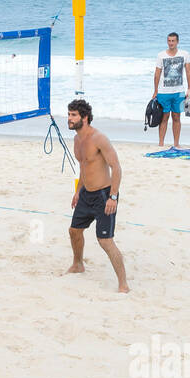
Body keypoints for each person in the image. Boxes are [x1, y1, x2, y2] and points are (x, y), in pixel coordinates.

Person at [65, 99, 128, 292]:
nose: (69, 118)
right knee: (74, 231)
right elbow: (84, 167)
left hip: (103, 195)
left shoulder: (98, 138)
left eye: (73, 115)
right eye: (68, 114)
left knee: (105, 241)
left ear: (84, 118)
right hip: (85, 194)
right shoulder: (76, 140)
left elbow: (116, 167)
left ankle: (123, 284)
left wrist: (113, 196)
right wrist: (77, 191)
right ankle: (78, 264)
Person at [151, 32, 190, 148]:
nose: (171, 43)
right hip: (163, 92)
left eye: (173, 41)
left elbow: (189, 72)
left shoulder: (184, 54)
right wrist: (155, 91)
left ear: (177, 42)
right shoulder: (161, 55)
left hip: (178, 92)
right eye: (169, 41)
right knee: (164, 118)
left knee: (176, 117)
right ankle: (161, 143)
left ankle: (176, 143)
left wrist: (189, 89)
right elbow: (157, 74)